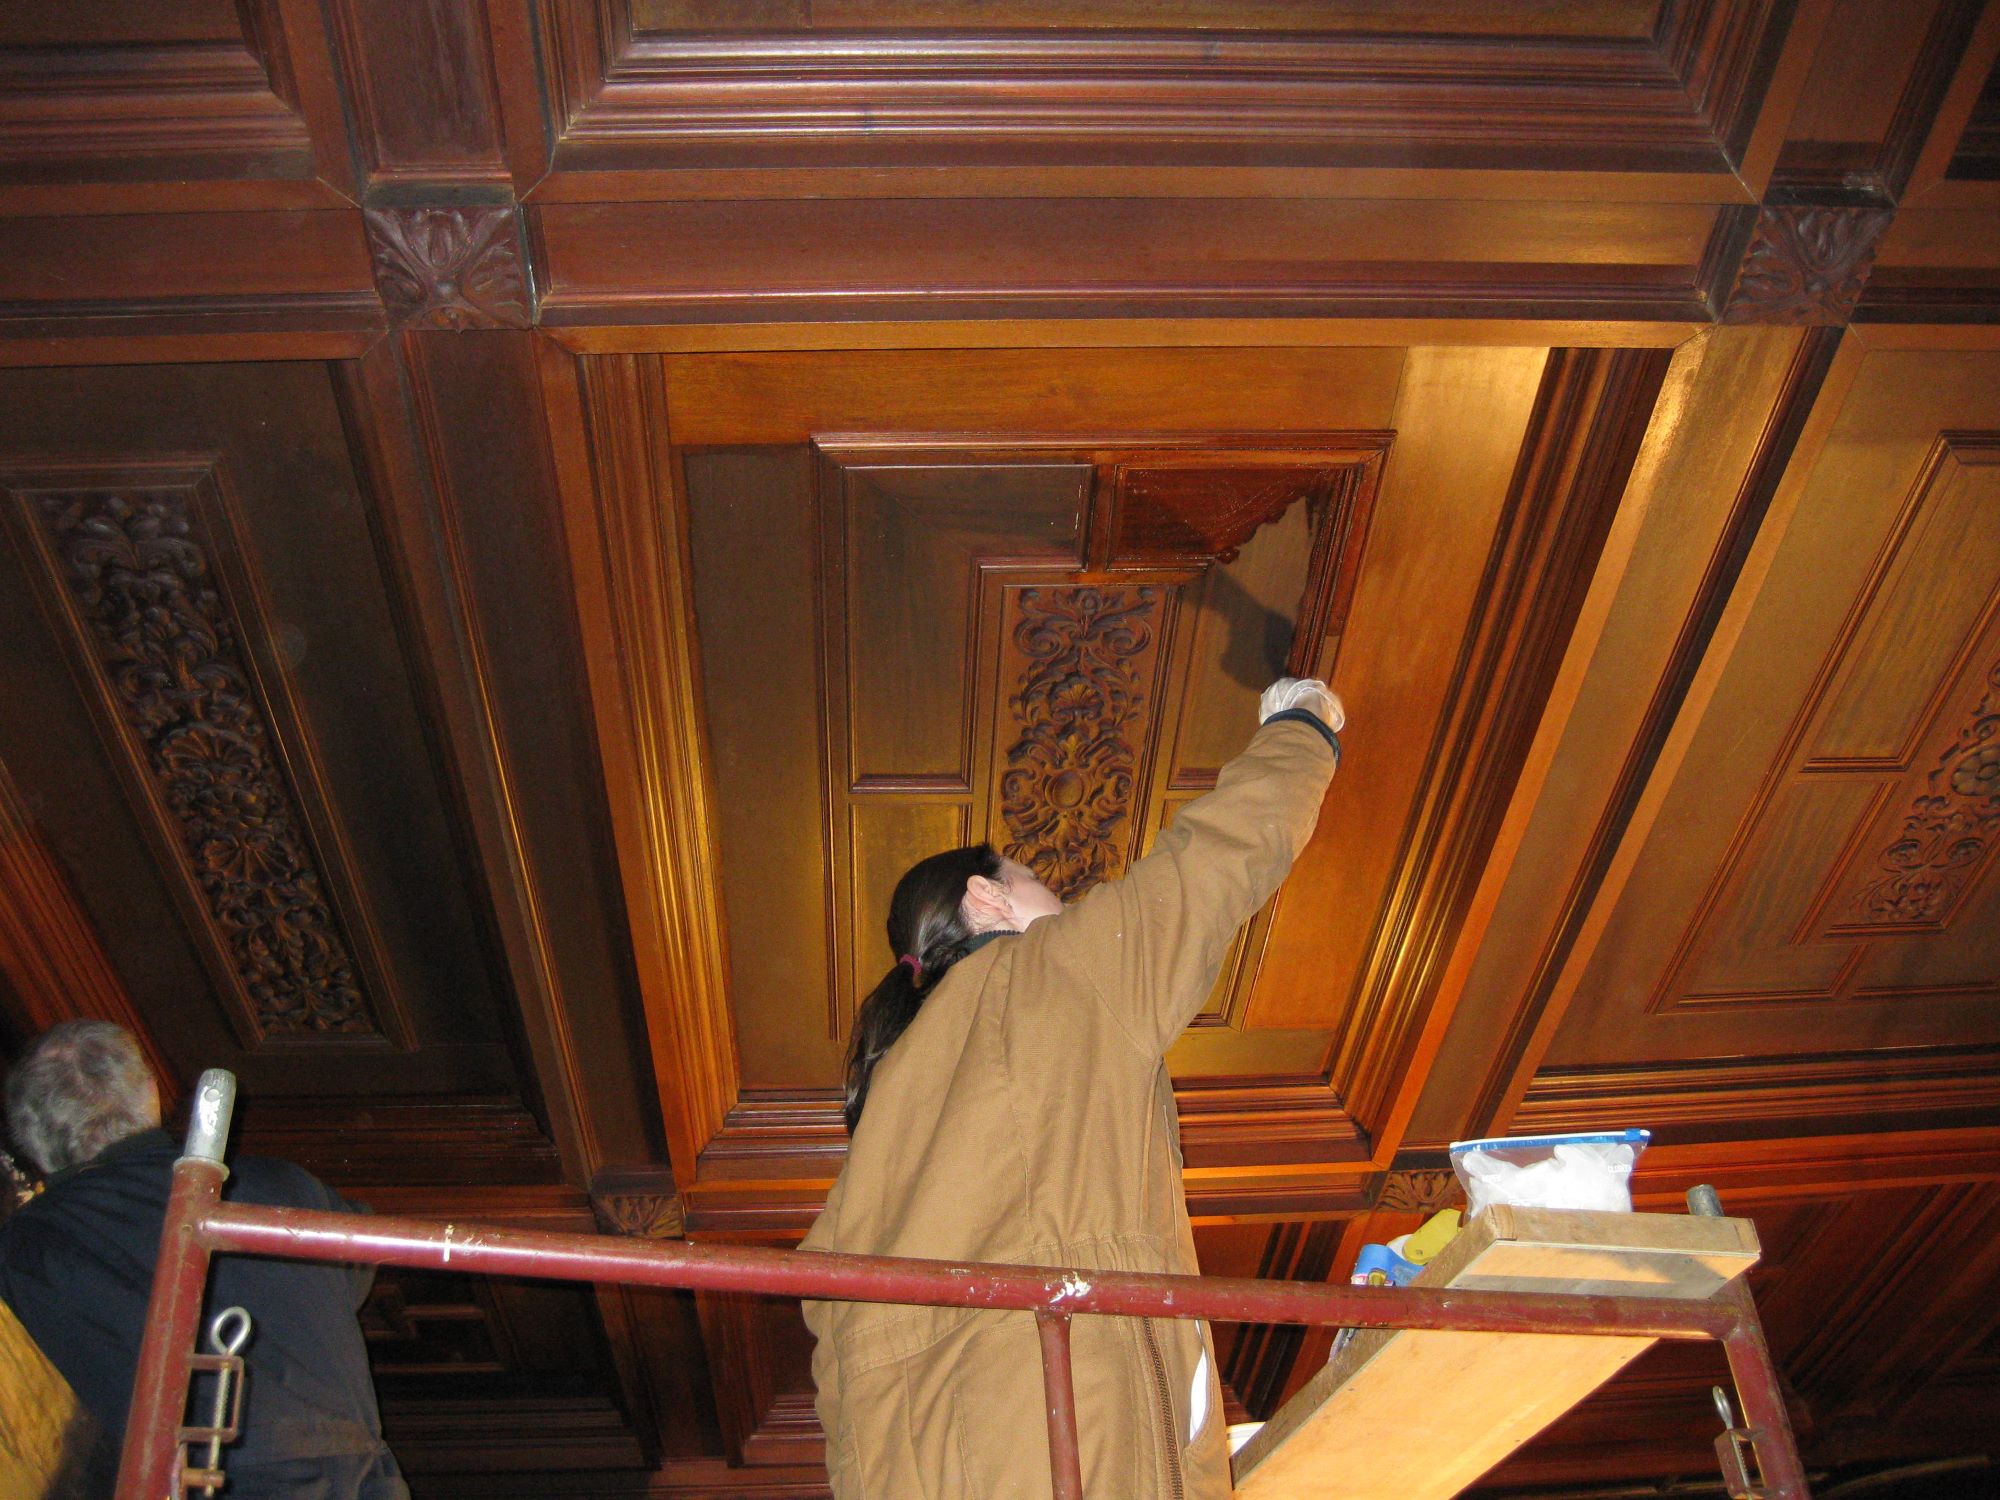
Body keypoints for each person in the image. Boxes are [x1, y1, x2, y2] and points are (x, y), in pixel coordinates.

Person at [801, 676, 1346, 1499]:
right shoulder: (1056, 972)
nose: (1063, 899)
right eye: (1034, 879)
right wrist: (1305, 724)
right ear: (986, 895)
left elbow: (839, 1378)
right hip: (1074, 1436)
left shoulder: (874, 1134)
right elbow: (1217, 859)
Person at [0, 1020, 407, 1499]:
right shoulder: (283, 1184)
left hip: (219, 1480)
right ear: (150, 1094)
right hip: (365, 1476)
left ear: (32, 1141)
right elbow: (356, 1268)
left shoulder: (30, 1244)